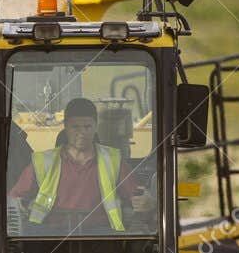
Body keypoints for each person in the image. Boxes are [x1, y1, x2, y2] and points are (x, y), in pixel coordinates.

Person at [8, 97, 149, 233]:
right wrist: (21, 205)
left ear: (95, 127)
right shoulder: (43, 162)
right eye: (75, 127)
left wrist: (148, 202)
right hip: (50, 238)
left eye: (87, 127)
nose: (82, 133)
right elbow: (13, 201)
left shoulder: (113, 161)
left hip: (102, 238)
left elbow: (138, 197)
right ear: (65, 128)